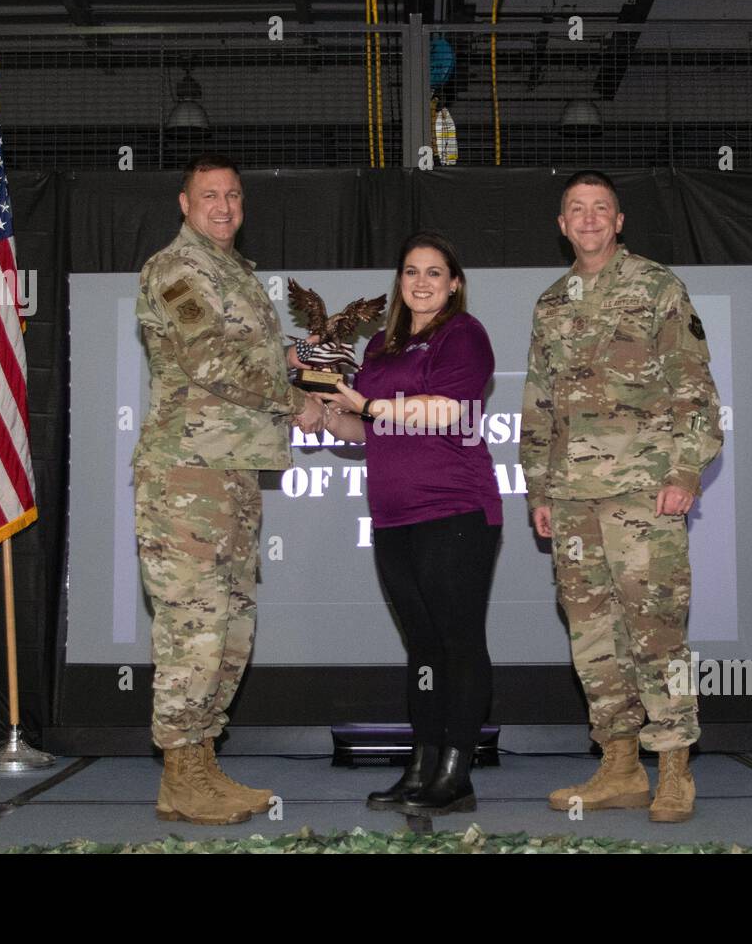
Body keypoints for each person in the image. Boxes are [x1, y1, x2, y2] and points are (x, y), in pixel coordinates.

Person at [519, 171, 723, 823]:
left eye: (599, 208)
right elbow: (538, 405)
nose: (588, 219)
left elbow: (693, 385)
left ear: (619, 219)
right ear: (561, 223)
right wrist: (538, 489)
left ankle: (674, 771)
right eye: (575, 209)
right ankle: (619, 764)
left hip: (643, 490)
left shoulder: (657, 287)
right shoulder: (551, 304)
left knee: (657, 631)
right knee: (593, 636)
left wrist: (685, 470)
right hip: (574, 499)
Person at [133, 153, 325, 825]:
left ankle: (202, 763)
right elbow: (209, 358)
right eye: (209, 196)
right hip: (188, 477)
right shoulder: (175, 270)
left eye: (234, 196)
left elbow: (245, 356)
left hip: (232, 474)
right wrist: (292, 394)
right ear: (184, 205)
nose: (223, 207)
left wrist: (292, 362)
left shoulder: (236, 274)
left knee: (230, 626)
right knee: (194, 625)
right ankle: (181, 773)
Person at [314, 230, 502, 817]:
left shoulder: (463, 335)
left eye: (433, 272)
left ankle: (457, 773)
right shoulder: (379, 346)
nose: (421, 282)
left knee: (457, 641)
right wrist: (319, 411)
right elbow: (364, 433)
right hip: (393, 517)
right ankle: (420, 764)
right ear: (400, 282)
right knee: (422, 645)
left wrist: (365, 405)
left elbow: (448, 409)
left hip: (455, 510)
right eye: (411, 272)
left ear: (454, 284)